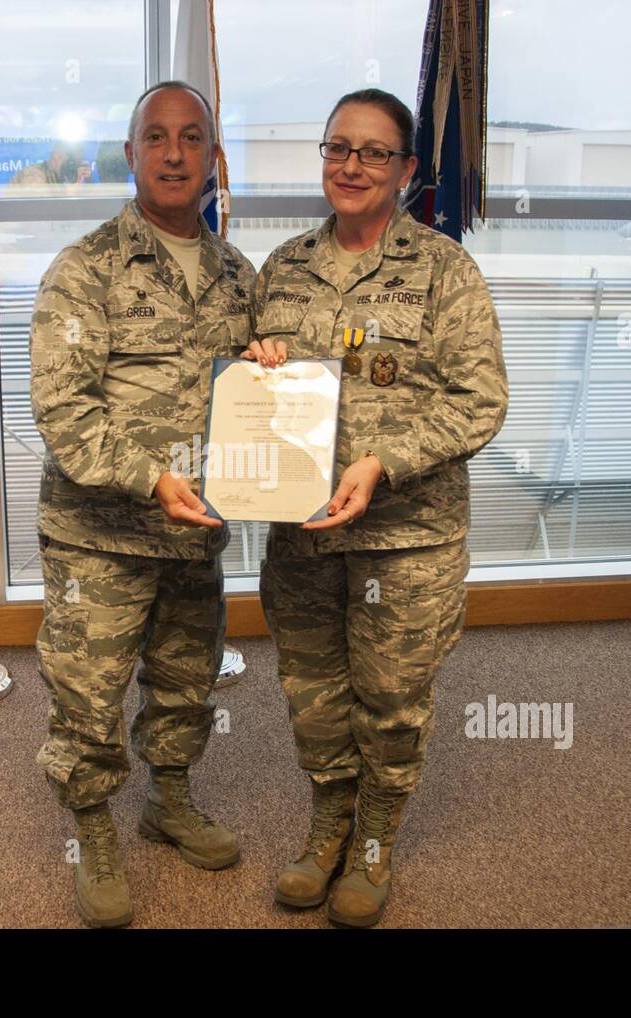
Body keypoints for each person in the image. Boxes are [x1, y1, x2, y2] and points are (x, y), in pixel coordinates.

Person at [246, 88, 509, 927]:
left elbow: (481, 400)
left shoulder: (443, 270)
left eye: (372, 152)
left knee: (391, 700)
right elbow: (248, 391)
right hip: (303, 536)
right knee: (315, 690)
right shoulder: (281, 268)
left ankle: (375, 841)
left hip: (408, 538)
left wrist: (383, 461)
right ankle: (329, 822)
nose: (351, 165)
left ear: (405, 169)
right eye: (337, 147)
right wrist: (259, 360)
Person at [29, 80, 255, 928]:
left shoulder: (238, 275)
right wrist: (150, 477)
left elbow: (257, 395)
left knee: (184, 683)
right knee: (88, 694)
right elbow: (64, 412)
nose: (173, 152)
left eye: (191, 138)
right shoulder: (85, 268)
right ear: (130, 155)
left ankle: (169, 801)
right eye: (155, 138)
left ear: (210, 157)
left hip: (195, 536)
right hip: (101, 537)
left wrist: (268, 361)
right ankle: (92, 828)